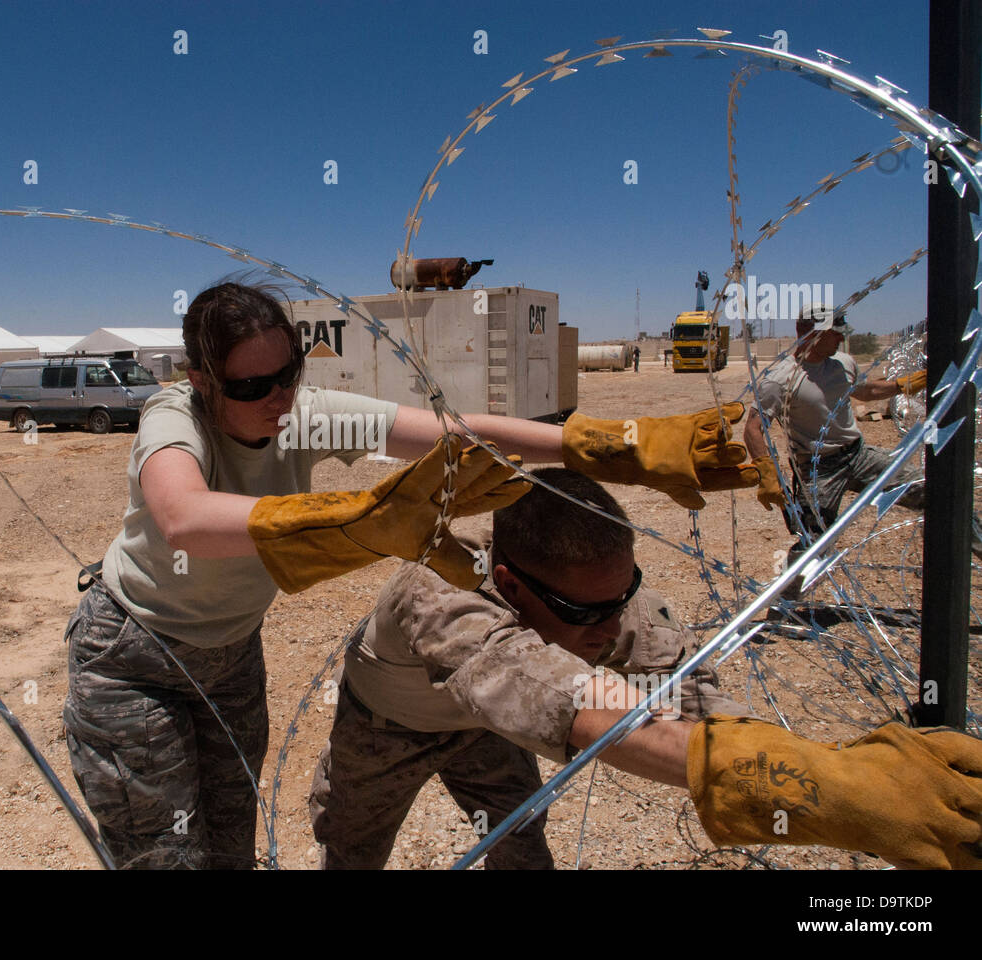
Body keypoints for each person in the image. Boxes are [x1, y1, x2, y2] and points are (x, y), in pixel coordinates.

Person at [62, 279, 760, 869]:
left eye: (288, 375)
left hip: (229, 660)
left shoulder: (303, 419)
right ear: (200, 379)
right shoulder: (172, 418)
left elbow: (459, 437)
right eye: (250, 385)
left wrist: (611, 448)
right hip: (135, 659)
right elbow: (184, 517)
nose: (277, 399)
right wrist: (354, 518)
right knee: (165, 854)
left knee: (229, 847)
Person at [309, 467, 982, 870]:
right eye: (588, 610)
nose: (611, 627)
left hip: (485, 733)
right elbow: (534, 684)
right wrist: (741, 770)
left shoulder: (600, 593)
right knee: (351, 850)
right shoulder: (435, 590)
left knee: (519, 845)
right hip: (386, 729)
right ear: (511, 586)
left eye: (623, 596)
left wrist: (804, 771)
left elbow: (690, 692)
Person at [744, 304, 932, 588]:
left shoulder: (843, 363)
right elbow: (753, 428)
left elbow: (866, 391)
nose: (840, 340)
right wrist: (766, 472)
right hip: (819, 470)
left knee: (935, 493)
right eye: (834, 334)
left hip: (859, 455)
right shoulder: (780, 379)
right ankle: (788, 604)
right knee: (813, 543)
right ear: (810, 334)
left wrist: (902, 385)